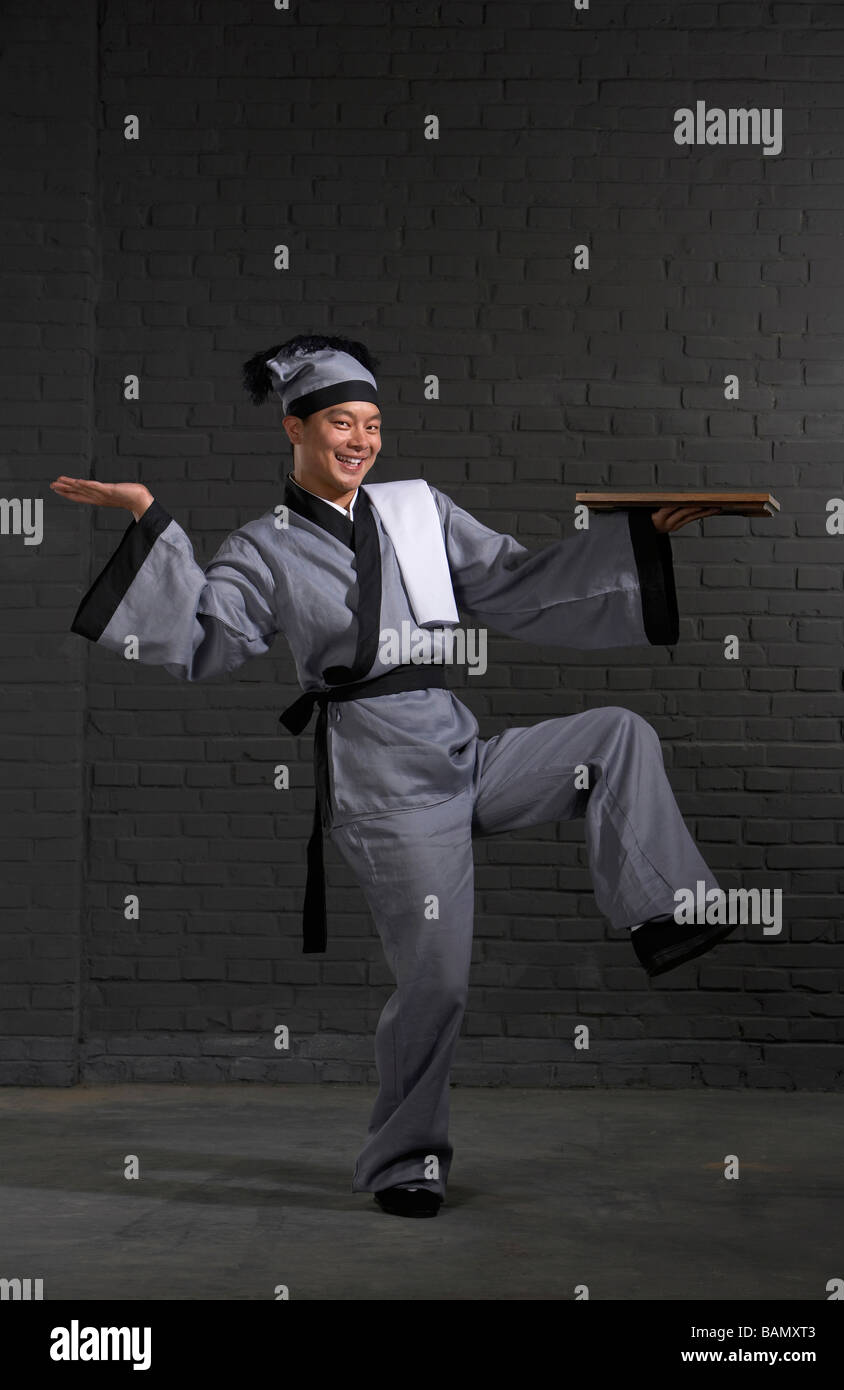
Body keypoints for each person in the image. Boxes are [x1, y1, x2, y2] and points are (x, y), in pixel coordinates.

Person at [52, 333, 731, 1221]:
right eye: (342, 422)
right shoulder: (265, 546)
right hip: (383, 791)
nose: (362, 440)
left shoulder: (419, 512)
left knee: (615, 734)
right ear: (295, 427)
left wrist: (635, 538)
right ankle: (405, 1160)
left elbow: (518, 582)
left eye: (373, 423)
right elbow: (206, 637)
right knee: (436, 983)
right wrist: (152, 522)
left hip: (460, 756)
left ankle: (669, 906)